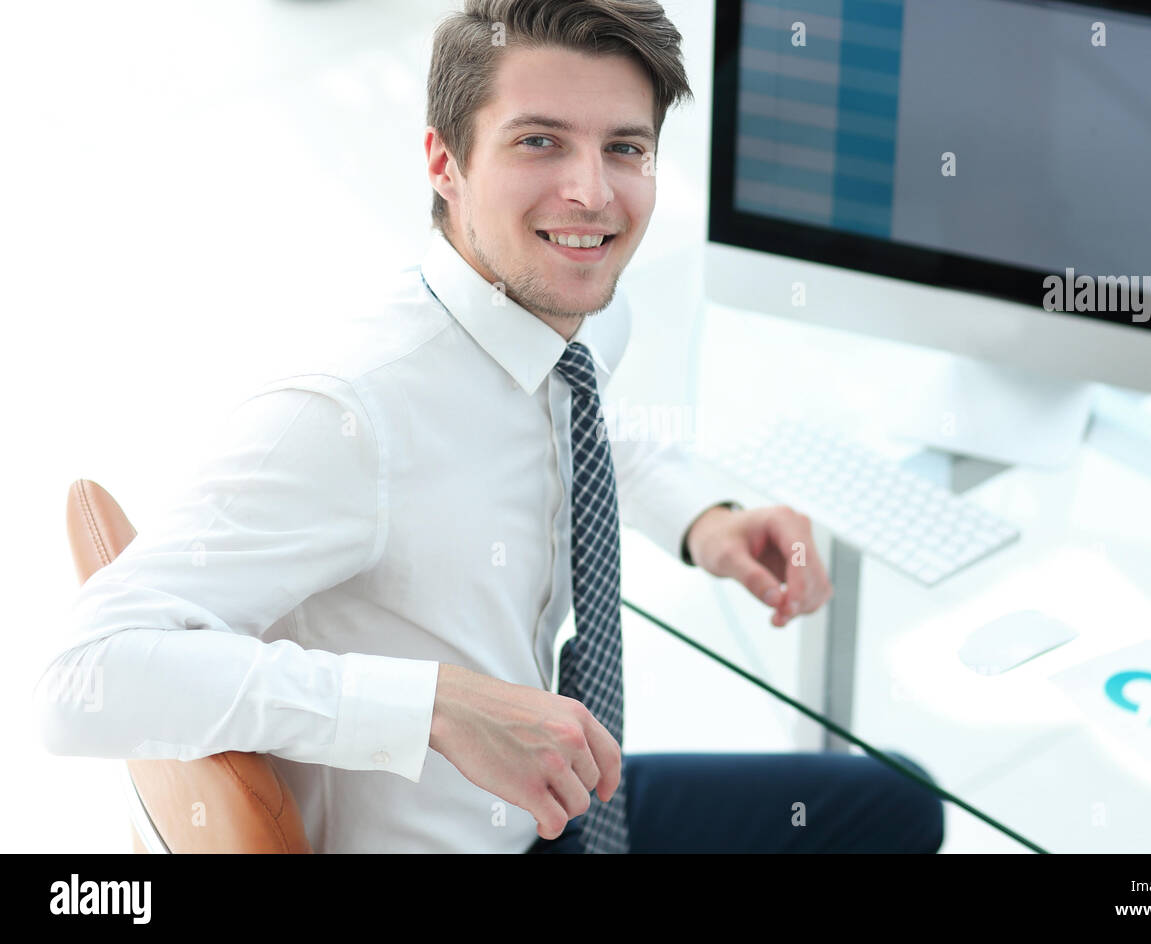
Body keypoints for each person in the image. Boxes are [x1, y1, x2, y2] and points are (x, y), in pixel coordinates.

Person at [35, 0, 943, 854]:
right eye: (540, 142)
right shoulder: (347, 414)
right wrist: (432, 707)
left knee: (900, 808)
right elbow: (82, 678)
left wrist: (705, 516)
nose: (591, 195)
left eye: (624, 148)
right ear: (444, 162)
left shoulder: (569, 310)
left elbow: (582, 429)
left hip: (558, 808)